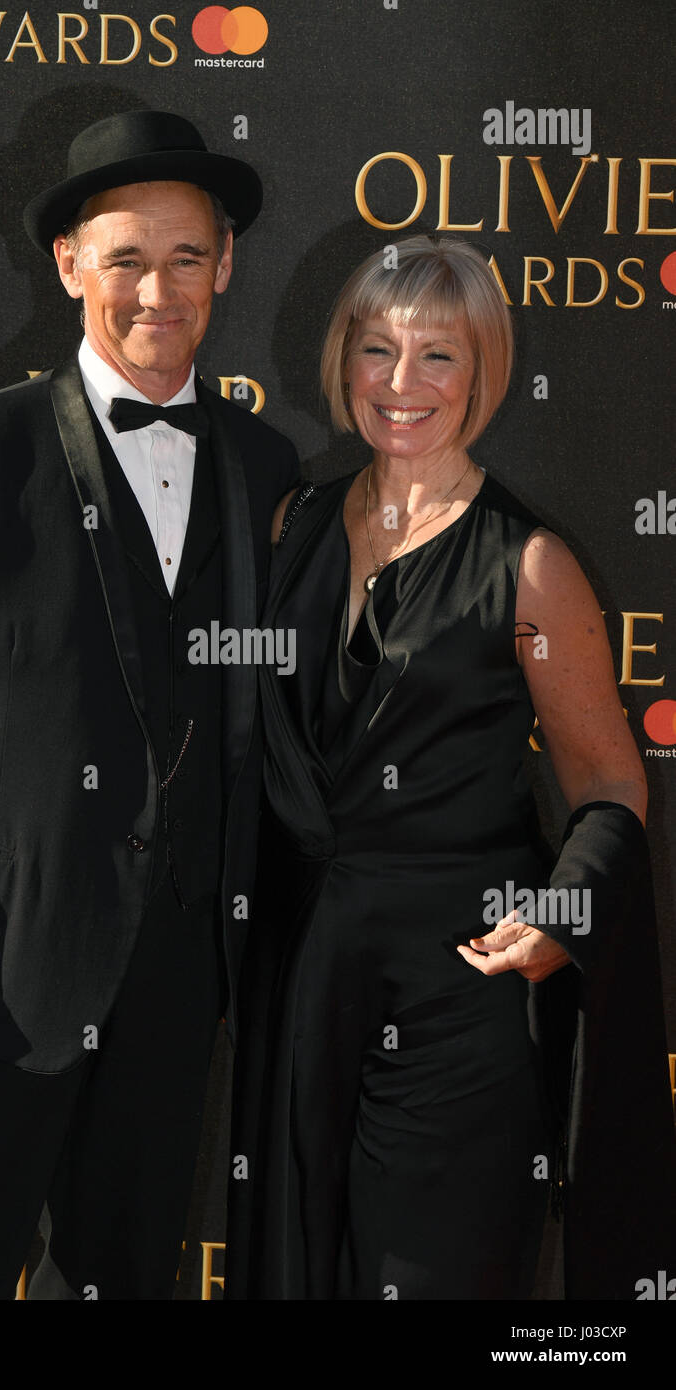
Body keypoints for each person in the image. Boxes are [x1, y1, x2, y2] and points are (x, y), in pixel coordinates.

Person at [0, 109, 300, 1300]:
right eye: (128, 257)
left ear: (227, 266)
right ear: (68, 265)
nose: (159, 289)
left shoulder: (263, 468)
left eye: (188, 256)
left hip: (173, 981)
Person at [226, 234, 676, 1300]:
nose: (399, 383)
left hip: (456, 991)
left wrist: (562, 910)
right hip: (302, 982)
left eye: (437, 356)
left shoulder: (526, 566)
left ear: (482, 373)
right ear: (341, 360)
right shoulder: (296, 523)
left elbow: (610, 780)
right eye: (376, 349)